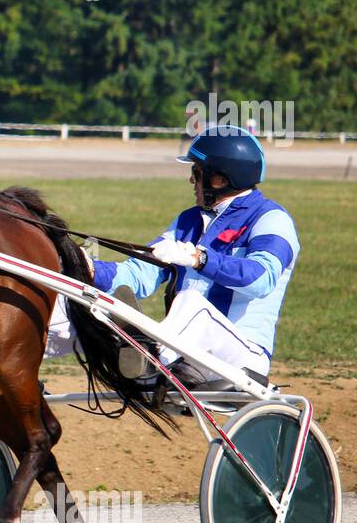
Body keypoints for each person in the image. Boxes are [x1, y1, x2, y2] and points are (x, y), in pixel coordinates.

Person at [45, 125, 300, 389]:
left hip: (241, 358)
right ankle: (11, 356)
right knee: (82, 305)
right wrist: (90, 270)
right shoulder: (188, 220)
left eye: (196, 172)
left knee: (192, 304)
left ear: (220, 180)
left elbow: (262, 279)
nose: (191, 180)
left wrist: (199, 258)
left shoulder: (271, 219)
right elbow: (139, 274)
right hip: (182, 353)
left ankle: (147, 357)